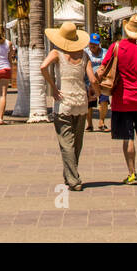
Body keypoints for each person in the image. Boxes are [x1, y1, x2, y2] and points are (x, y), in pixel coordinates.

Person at [95, 13, 137, 185]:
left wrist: (94, 85)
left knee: (128, 138)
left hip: (122, 101)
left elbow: (102, 69)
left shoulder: (116, 47)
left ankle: (132, 174)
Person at [40, 22, 100, 191]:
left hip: (63, 102)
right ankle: (70, 175)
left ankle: (73, 179)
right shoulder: (85, 55)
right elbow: (93, 79)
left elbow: (43, 66)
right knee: (77, 142)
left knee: (66, 142)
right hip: (81, 102)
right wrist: (97, 93)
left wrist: (52, 86)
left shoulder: (56, 52)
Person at [85, 34, 108, 132]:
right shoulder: (85, 52)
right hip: (88, 82)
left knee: (104, 101)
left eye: (95, 44)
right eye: (91, 43)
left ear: (99, 44)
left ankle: (101, 122)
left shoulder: (105, 52)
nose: (92, 46)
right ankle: (89, 124)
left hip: (102, 82)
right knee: (89, 104)